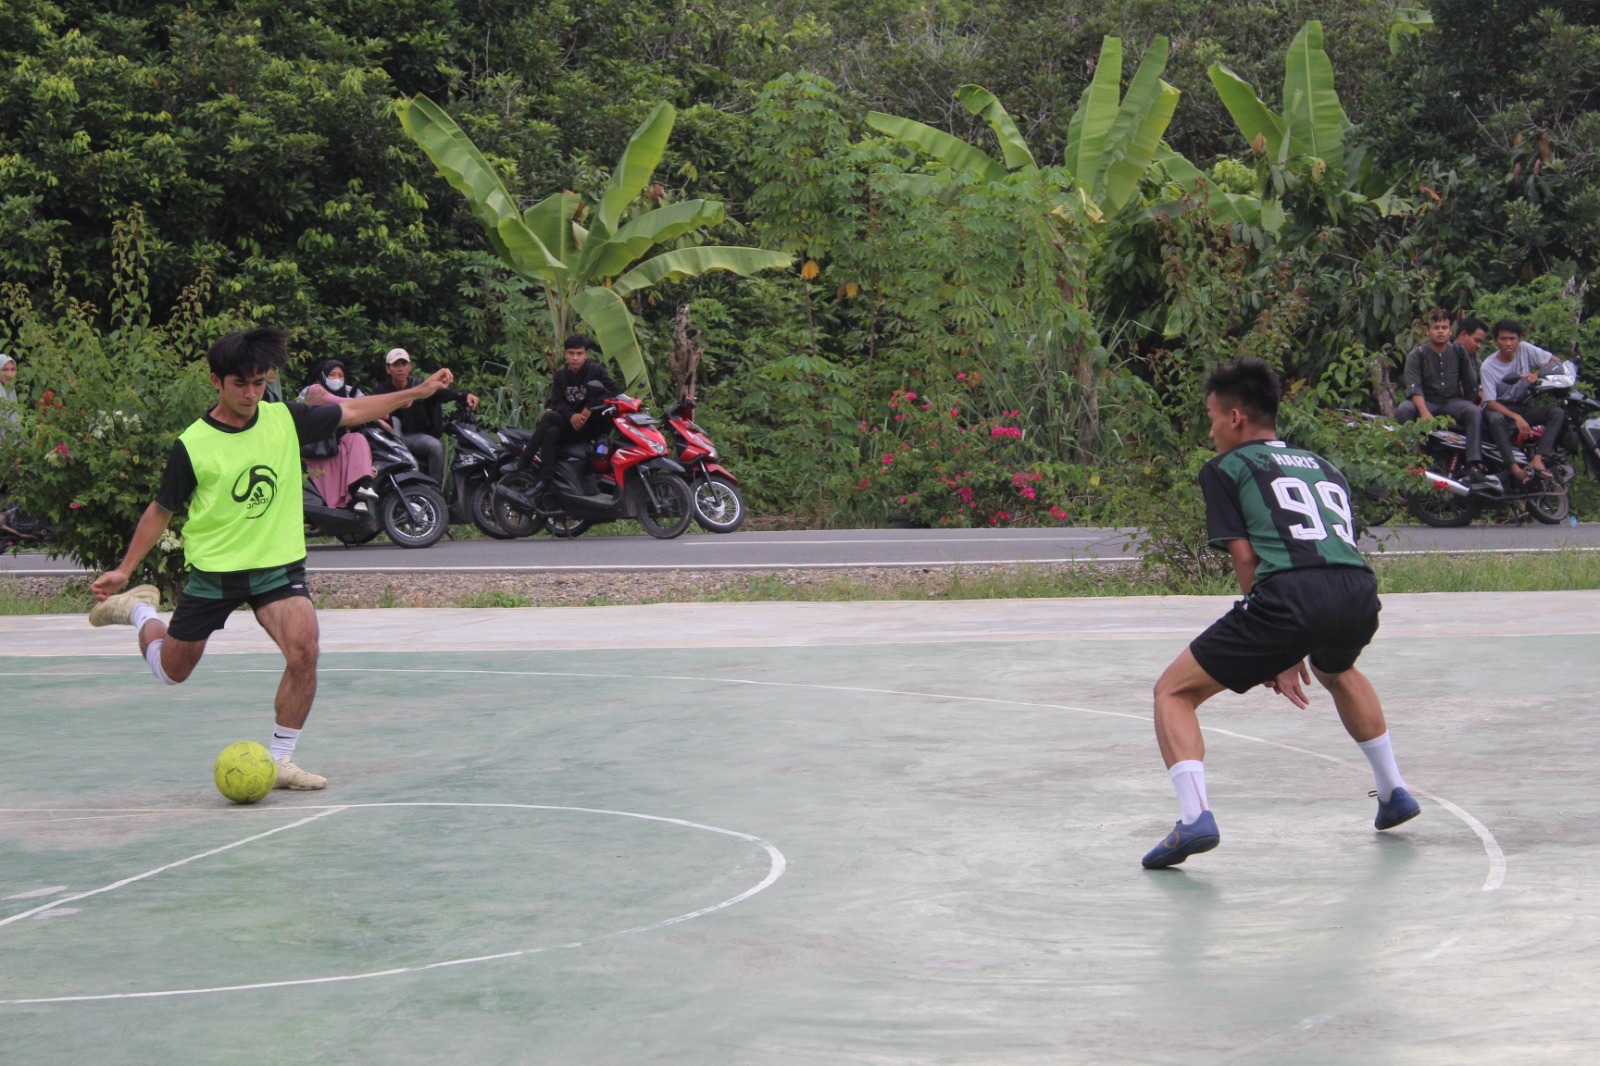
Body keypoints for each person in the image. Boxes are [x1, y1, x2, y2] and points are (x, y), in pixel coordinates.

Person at [86, 327, 456, 789]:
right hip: (216, 570)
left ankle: (281, 759)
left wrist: (417, 392)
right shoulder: (193, 444)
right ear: (217, 382)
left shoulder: (284, 418)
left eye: (259, 382)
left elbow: (356, 410)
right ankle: (141, 612)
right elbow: (160, 509)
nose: (250, 393)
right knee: (172, 672)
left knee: (305, 651)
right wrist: (124, 570)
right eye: (240, 384)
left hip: (277, 566)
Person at [1142, 358, 1418, 869]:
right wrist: (1291, 645)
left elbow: (1246, 558)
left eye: (1211, 416)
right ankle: (1393, 789)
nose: (1210, 428)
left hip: (1291, 596)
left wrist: (1278, 648)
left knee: (1172, 692)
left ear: (1236, 418)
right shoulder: (1323, 465)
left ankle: (1194, 817)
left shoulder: (1226, 468)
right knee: (1336, 669)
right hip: (1359, 590)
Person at [1395, 307, 1487, 481]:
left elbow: (1470, 384)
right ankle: (1412, 458)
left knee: (1473, 411)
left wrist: (1476, 402)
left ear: (1451, 331)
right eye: (1436, 327)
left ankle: (1473, 463)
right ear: (1428, 331)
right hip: (1427, 401)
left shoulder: (1459, 352)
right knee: (1403, 409)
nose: (1440, 331)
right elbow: (1414, 387)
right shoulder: (1417, 354)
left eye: (1444, 328)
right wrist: (1424, 412)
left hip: (1451, 402)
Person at [529, 335, 622, 492]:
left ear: (586, 354)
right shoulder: (560, 376)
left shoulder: (595, 371)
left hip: (592, 427)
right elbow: (557, 402)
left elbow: (614, 392)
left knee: (548, 417)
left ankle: (525, 458)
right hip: (571, 425)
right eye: (571, 353)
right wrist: (571, 415)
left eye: (579, 354)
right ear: (565, 354)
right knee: (551, 431)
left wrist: (590, 408)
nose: (575, 358)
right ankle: (546, 480)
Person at [372, 347, 478, 484]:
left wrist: (464, 396)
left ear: (409, 367)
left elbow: (441, 392)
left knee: (435, 447)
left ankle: (433, 490)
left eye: (403, 364)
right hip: (391, 438)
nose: (400, 369)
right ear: (388, 369)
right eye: (395, 365)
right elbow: (372, 411)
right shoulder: (381, 391)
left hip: (416, 437)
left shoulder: (419, 386)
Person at [1479, 318, 1566, 485]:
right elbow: (1490, 402)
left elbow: (1555, 361)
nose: (1508, 343)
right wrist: (1516, 417)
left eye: (1512, 339)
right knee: (1496, 419)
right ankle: (1513, 467)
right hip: (1498, 407)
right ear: (1496, 341)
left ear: (1519, 339)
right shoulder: (1488, 366)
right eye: (1503, 339)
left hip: (1522, 405)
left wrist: (1537, 374)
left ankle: (1538, 459)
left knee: (1556, 412)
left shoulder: (1525, 349)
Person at [297, 358, 378, 510]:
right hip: (316, 447)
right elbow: (343, 403)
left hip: (335, 444)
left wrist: (380, 415)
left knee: (356, 438)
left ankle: (360, 490)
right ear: (322, 375)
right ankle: (354, 496)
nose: (337, 379)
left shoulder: (348, 391)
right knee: (348, 446)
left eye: (341, 375)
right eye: (332, 374)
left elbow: (362, 402)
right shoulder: (315, 390)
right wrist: (375, 407)